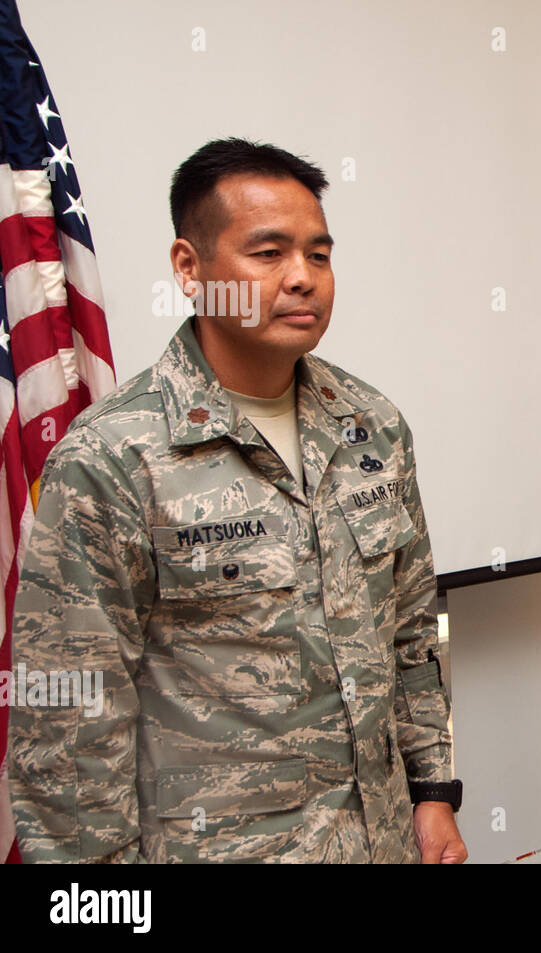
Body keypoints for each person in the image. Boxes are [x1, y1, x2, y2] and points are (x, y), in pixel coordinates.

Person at [6, 138, 466, 863]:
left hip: (382, 841)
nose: (303, 278)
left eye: (319, 254)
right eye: (269, 252)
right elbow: (70, 723)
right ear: (190, 268)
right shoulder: (113, 459)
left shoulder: (371, 425)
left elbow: (413, 630)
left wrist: (434, 792)